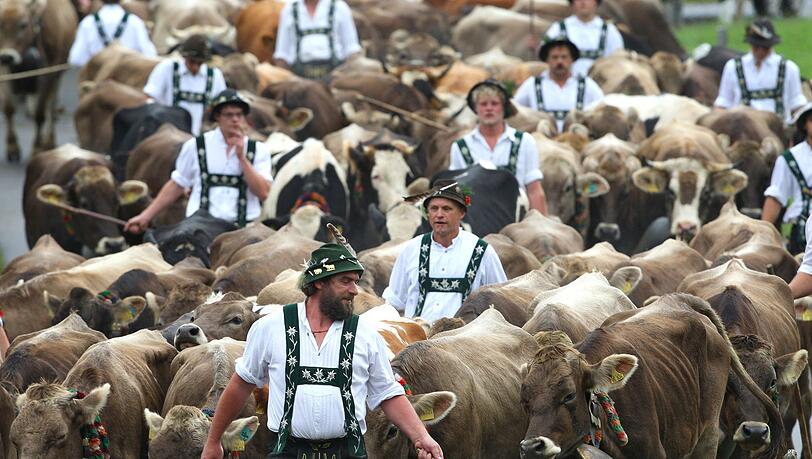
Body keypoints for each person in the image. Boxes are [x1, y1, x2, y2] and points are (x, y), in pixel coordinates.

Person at [200, 239, 444, 459]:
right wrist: (213, 441)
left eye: (356, 282)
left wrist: (421, 436)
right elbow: (241, 385)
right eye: (345, 281)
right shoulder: (270, 328)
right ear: (318, 283)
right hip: (287, 452)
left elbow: (388, 394)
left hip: (349, 452)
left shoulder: (365, 333)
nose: (355, 290)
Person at [124, 89, 272, 233]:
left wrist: (242, 159)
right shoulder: (195, 146)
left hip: (244, 230)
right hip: (201, 230)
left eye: (239, 115)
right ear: (217, 117)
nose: (235, 119)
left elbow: (263, 193)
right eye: (228, 115)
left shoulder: (258, 150)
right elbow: (177, 184)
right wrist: (145, 216)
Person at [383, 181, 507, 322]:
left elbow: (500, 301)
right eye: (434, 208)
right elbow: (393, 301)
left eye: (446, 209)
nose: (439, 214)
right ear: (427, 213)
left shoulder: (482, 251)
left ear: (462, 213)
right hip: (417, 339)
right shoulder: (411, 249)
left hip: (464, 340)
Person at [449, 79, 548, 215]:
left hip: (517, 218)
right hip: (476, 219)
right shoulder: (460, 147)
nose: (489, 108)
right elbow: (456, 193)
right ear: (475, 108)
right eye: (483, 104)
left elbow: (534, 190)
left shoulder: (524, 142)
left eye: (494, 103)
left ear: (504, 107)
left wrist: (540, 224)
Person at [714, 19, 807, 123]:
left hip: (780, 130)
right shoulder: (733, 67)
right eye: (756, 47)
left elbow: (797, 105)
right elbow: (723, 103)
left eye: (765, 47)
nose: (760, 51)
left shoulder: (789, 68)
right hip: (742, 130)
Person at [513, 38, 604, 133]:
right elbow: (516, 110)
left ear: (572, 59)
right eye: (554, 57)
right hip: (542, 139)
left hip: (578, 140)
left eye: (564, 57)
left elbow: (601, 108)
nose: (560, 62)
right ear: (547, 60)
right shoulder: (532, 84)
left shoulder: (587, 84)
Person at [143, 34, 227, 136]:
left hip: (201, 136)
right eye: (192, 62)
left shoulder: (215, 76)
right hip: (167, 134)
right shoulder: (167, 68)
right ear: (184, 57)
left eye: (200, 63)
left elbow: (223, 107)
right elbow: (149, 98)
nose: (195, 67)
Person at [762, 103, 812, 255]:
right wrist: (763, 235)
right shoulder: (789, 158)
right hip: (799, 234)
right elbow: (776, 196)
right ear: (805, 125)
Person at [273, 0, 362, 79]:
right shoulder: (289, 10)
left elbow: (352, 51)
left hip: (336, 78)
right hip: (299, 81)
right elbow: (282, 55)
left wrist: (345, 77)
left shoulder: (340, 7)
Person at [544, 0, 624, 76]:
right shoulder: (558, 29)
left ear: (596, 2)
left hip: (601, 85)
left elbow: (618, 61)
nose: (583, 2)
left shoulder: (609, 31)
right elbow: (546, 58)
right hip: (566, 84)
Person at [68, 0, 156, 67]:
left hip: (97, 82)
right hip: (126, 82)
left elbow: (76, 59)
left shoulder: (87, 23)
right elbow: (150, 55)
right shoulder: (135, 22)